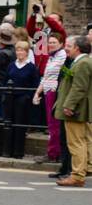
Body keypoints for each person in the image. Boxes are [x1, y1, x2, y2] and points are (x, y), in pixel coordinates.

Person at [55, 35, 91, 186]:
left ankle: (77, 176)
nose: (66, 48)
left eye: (69, 46)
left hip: (76, 110)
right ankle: (85, 168)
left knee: (76, 142)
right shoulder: (80, 62)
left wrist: (69, 105)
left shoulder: (82, 63)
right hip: (80, 108)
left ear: (77, 47)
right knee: (84, 141)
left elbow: (79, 88)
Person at [35, 33, 67, 162]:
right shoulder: (51, 57)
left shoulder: (63, 56)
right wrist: (37, 93)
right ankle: (54, 152)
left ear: (61, 44)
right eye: (50, 42)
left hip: (55, 92)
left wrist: (55, 89)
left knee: (54, 125)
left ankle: (54, 154)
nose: (51, 44)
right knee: (51, 125)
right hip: (48, 92)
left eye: (54, 42)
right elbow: (45, 77)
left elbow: (62, 76)